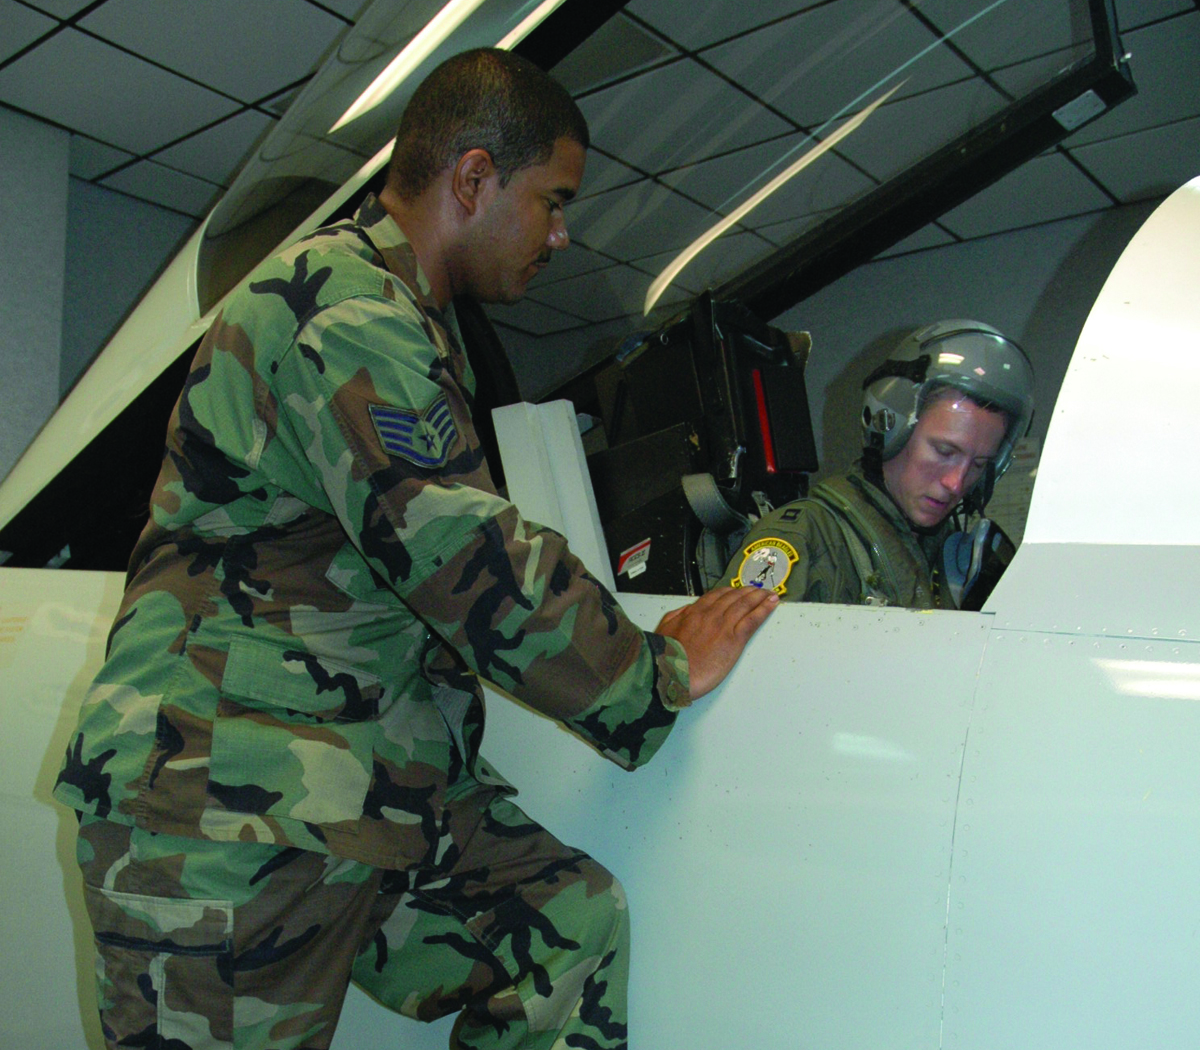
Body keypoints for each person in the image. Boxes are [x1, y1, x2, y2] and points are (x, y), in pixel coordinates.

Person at [53, 48, 776, 1050]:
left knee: (561, 928)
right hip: (217, 812)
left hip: (358, 796)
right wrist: (651, 674)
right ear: (475, 179)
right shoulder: (341, 312)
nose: (563, 234)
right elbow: (463, 555)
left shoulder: (405, 320)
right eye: (552, 201)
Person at [718, 319, 1034, 608]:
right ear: (888, 426)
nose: (956, 483)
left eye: (978, 464)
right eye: (943, 451)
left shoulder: (945, 558)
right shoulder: (804, 541)